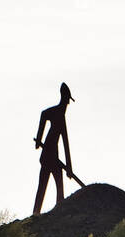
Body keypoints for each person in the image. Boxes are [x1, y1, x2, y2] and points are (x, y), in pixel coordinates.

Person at [33, 82, 75, 214]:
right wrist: (39, 138)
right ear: (64, 98)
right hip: (47, 155)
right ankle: (36, 212)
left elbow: (65, 143)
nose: (68, 104)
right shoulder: (56, 112)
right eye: (67, 100)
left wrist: (69, 167)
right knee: (43, 184)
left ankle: (58, 210)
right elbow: (43, 114)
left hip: (53, 155)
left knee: (59, 181)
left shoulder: (61, 116)